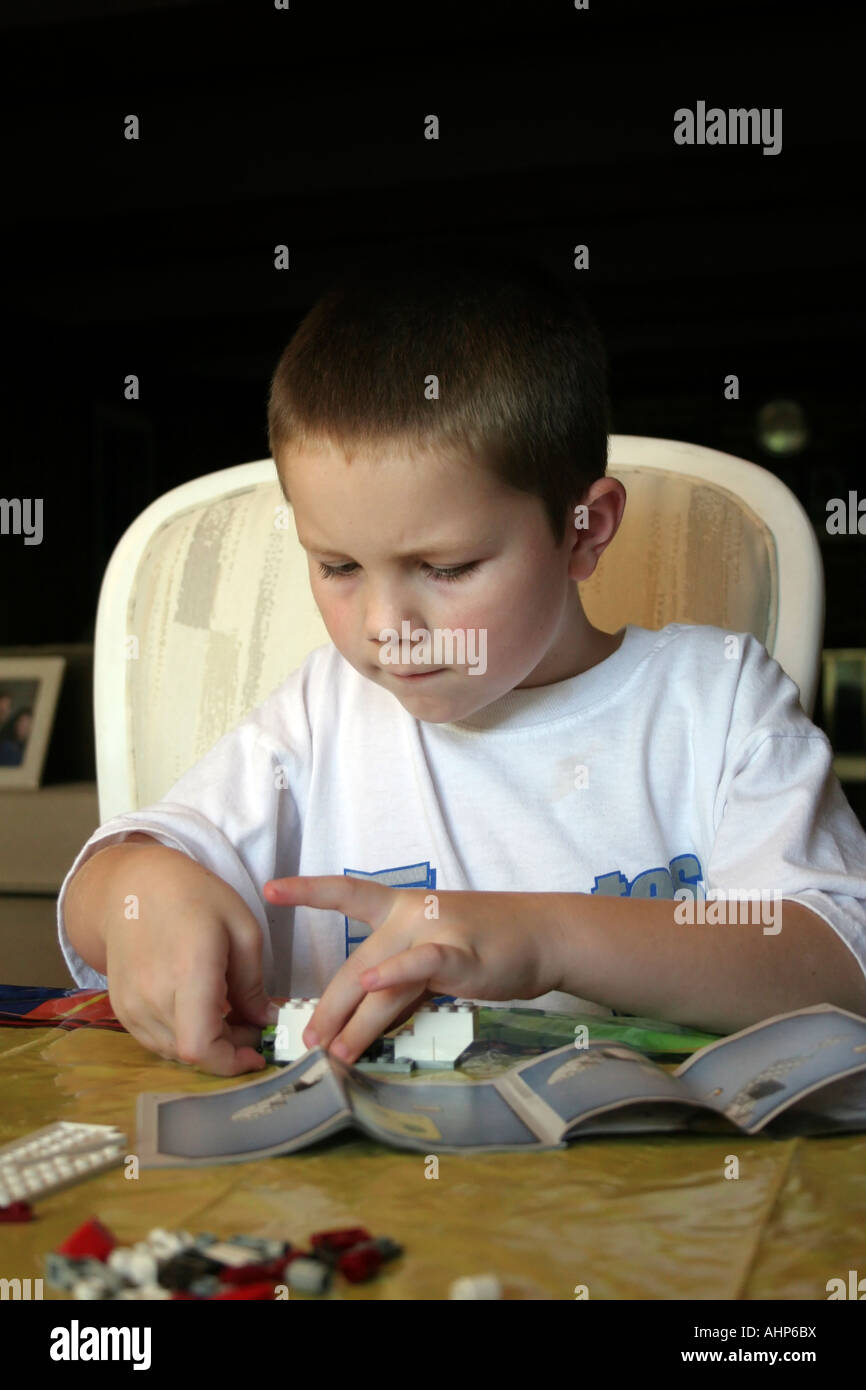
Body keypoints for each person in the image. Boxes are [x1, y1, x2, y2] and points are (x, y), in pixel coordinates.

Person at [59, 248, 866, 1078]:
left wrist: (546, 936)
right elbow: (108, 882)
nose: (385, 627)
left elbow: (843, 962)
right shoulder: (319, 717)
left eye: (445, 570)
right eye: (337, 567)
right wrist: (140, 896)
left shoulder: (716, 698)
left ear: (584, 530)